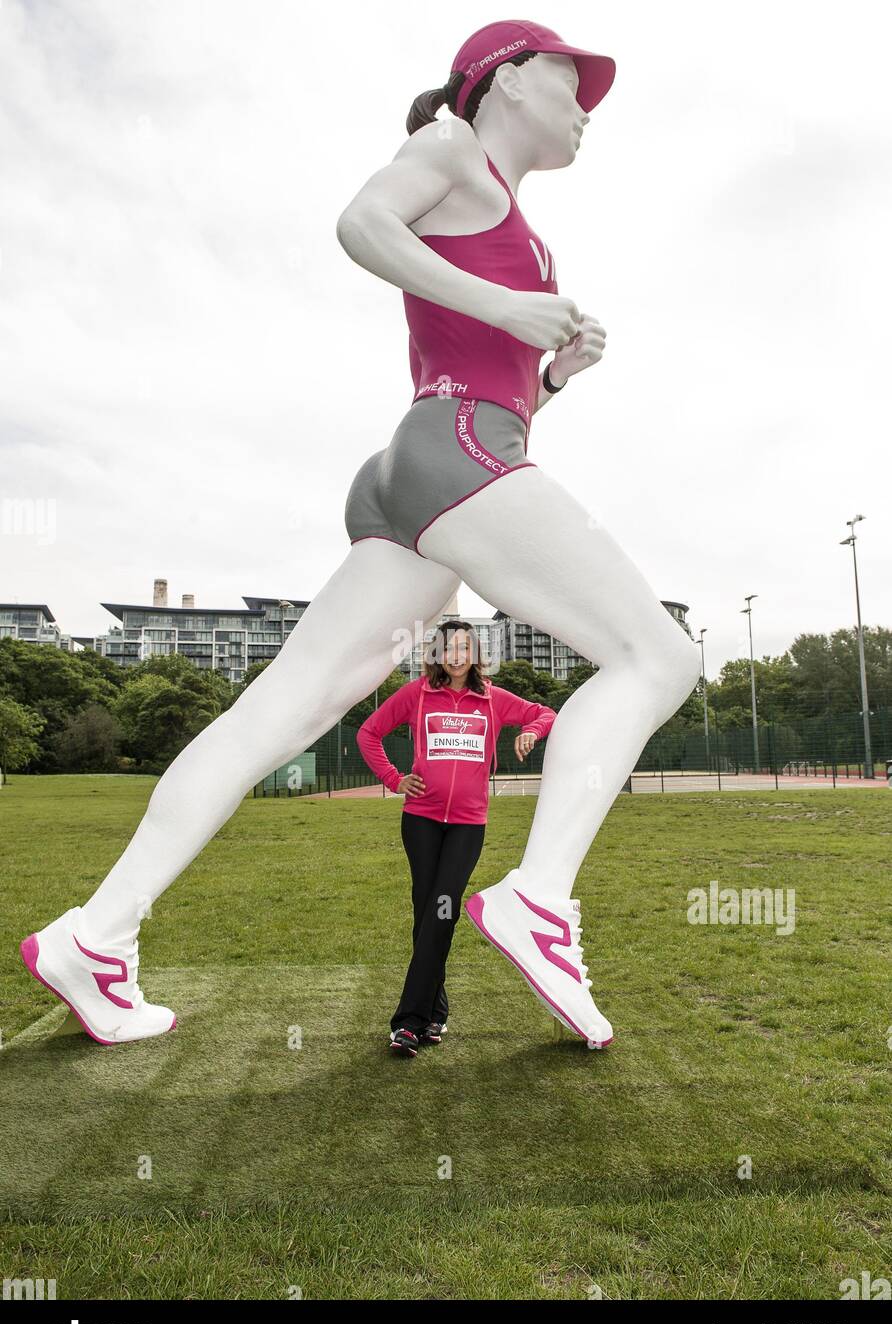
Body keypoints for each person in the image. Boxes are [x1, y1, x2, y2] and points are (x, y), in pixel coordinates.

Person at [20, 20, 701, 1049]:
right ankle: (539, 900)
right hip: (455, 456)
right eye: (573, 82)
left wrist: (556, 374)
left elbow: (498, 389)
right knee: (660, 654)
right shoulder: (451, 147)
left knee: (274, 717)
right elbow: (359, 224)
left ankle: (96, 933)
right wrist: (510, 310)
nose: (587, 106)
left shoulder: (512, 216)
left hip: (426, 477)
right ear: (508, 80)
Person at [357, 620, 557, 1057]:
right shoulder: (417, 695)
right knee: (426, 914)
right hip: (421, 822)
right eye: (449, 647)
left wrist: (530, 731)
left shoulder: (493, 699)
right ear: (438, 654)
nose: (457, 654)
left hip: (468, 825)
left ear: (475, 653)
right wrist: (393, 779)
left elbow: (545, 712)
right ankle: (434, 1013)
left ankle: (408, 1022)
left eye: (465, 646)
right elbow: (368, 733)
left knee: (442, 912)